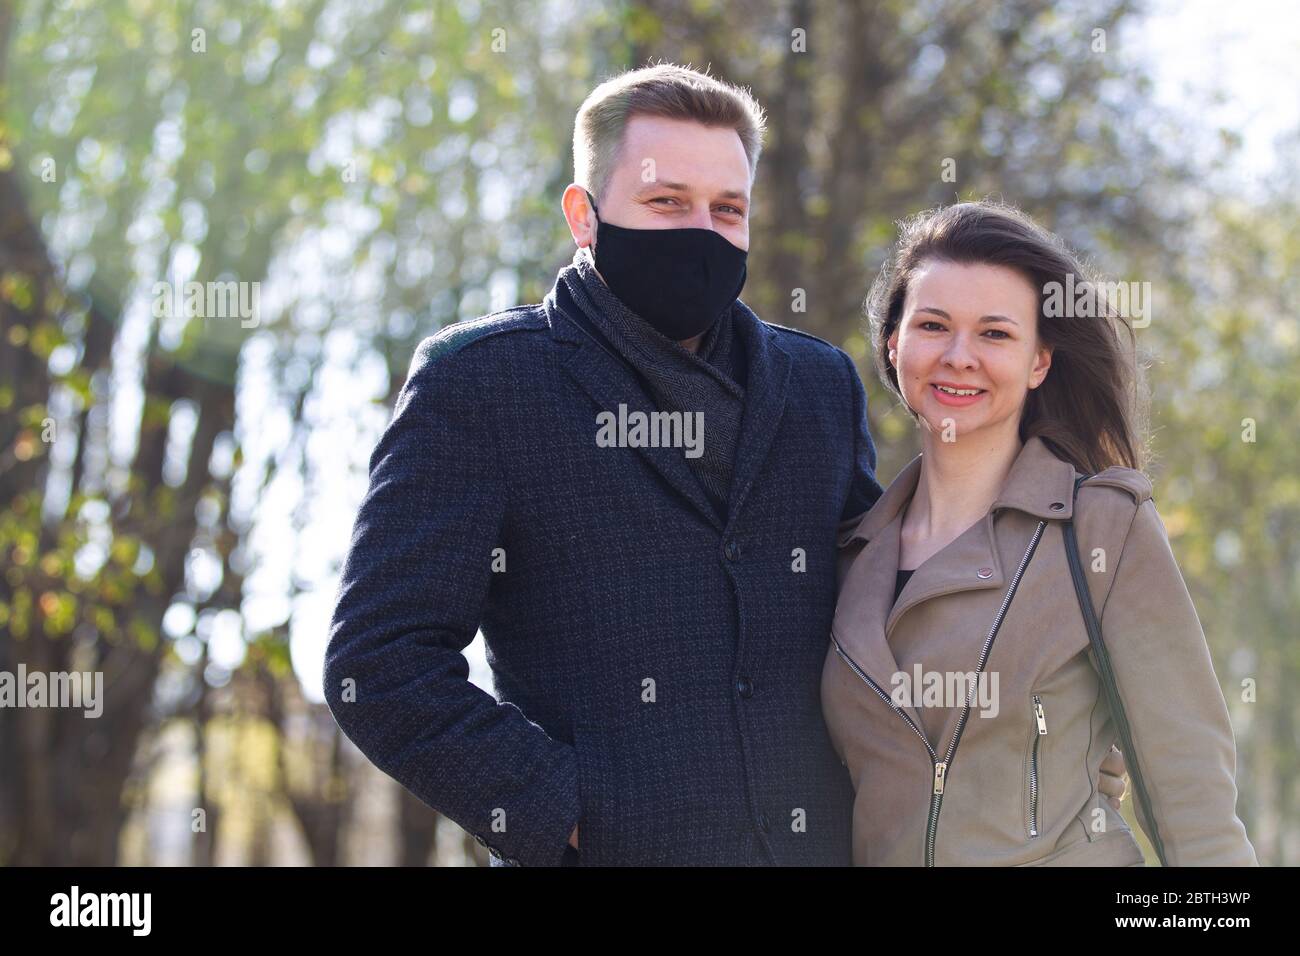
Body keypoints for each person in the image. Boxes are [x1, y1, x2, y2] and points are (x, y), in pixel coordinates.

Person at [324, 64, 1127, 866]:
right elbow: (379, 663)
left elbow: (884, 613)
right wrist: (577, 815)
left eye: (727, 209)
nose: (701, 232)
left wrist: (1051, 716)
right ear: (584, 214)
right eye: (666, 202)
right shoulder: (482, 383)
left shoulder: (817, 385)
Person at [822, 200, 1257, 866]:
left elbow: (1195, 807)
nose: (959, 357)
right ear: (893, 345)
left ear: (1039, 363)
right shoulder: (847, 555)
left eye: (995, 334)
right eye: (933, 325)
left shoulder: (1104, 529)